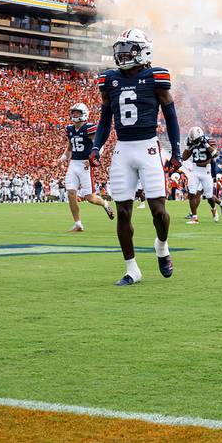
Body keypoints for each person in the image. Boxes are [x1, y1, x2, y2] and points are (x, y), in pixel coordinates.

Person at [92, 28, 180, 287]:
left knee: (159, 212)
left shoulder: (155, 76)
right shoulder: (109, 79)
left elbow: (171, 115)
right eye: (120, 49)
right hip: (123, 149)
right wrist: (96, 147)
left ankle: (161, 246)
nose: (122, 54)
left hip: (148, 147)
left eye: (128, 49)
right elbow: (104, 120)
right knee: (122, 212)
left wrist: (176, 152)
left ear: (143, 51)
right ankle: (132, 269)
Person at [59, 102, 114, 232]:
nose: (74, 114)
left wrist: (93, 158)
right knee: (71, 193)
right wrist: (61, 158)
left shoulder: (89, 128)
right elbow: (69, 148)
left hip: (85, 164)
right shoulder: (70, 129)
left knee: (90, 198)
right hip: (73, 163)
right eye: (73, 112)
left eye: (77, 112)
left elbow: (99, 145)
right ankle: (78, 223)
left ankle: (105, 203)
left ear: (84, 114)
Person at [182, 126, 222, 224]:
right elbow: (184, 158)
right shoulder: (191, 142)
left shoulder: (208, 141)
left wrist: (206, 145)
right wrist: (188, 147)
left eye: (196, 140)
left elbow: (215, 154)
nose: (194, 142)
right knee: (191, 193)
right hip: (195, 170)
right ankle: (195, 218)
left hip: (206, 172)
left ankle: (214, 209)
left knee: (209, 197)